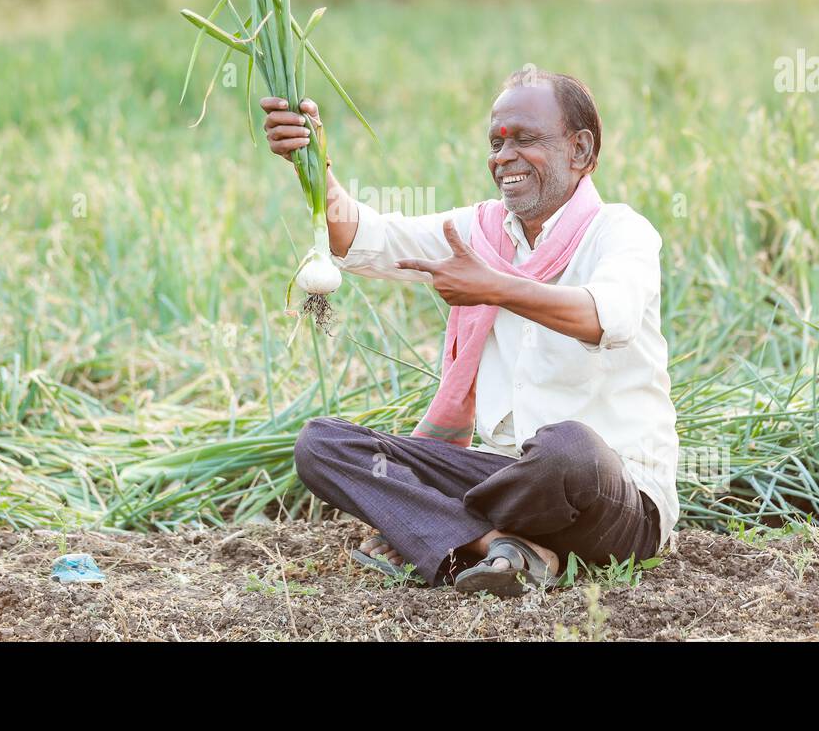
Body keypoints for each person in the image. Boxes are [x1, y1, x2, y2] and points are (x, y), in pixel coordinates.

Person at [261, 68, 678, 596]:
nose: (503, 156)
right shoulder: (481, 231)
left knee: (566, 447)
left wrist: (494, 287)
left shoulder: (622, 232)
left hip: (612, 503)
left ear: (580, 150)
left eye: (525, 139)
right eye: (496, 142)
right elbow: (362, 237)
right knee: (321, 444)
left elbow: (601, 317)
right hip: (504, 482)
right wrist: (313, 160)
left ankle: (433, 528)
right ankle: (501, 545)